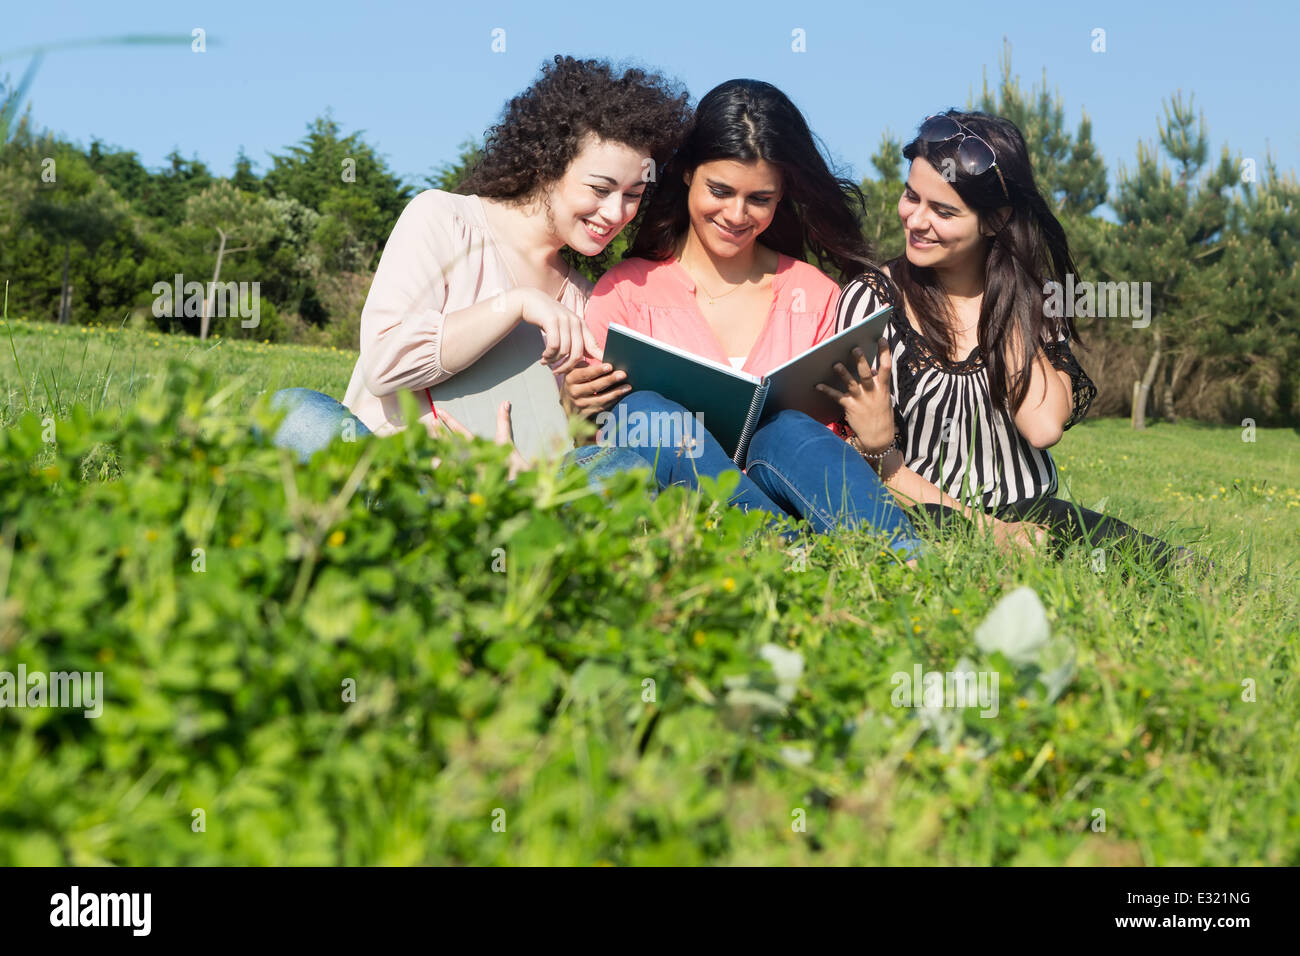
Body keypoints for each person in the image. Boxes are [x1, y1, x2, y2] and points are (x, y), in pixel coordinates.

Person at [267, 55, 691, 484]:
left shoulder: (586, 299)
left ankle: (511, 526)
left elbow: (566, 442)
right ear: (548, 163)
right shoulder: (443, 218)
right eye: (600, 189)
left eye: (634, 195)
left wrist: (574, 420)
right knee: (296, 412)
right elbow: (385, 366)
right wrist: (517, 304)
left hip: (505, 492)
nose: (616, 212)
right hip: (391, 472)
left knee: (622, 469)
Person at [566, 79, 923, 561]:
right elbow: (600, 450)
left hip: (790, 485)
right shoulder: (625, 293)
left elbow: (830, 450)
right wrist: (576, 407)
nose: (736, 215)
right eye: (720, 190)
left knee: (788, 429)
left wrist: (875, 431)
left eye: (760, 199)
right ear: (688, 174)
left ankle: (905, 558)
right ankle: (788, 557)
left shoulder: (816, 295)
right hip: (682, 507)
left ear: (781, 198)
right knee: (646, 416)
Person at [828, 109, 1194, 567]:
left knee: (1140, 555)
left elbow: (1042, 427)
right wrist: (993, 532)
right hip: (921, 506)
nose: (916, 221)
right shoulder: (871, 302)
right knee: (950, 537)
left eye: (942, 211)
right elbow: (868, 459)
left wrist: (1003, 296)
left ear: (994, 221)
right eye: (911, 196)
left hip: (1033, 510)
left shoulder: (1032, 301)